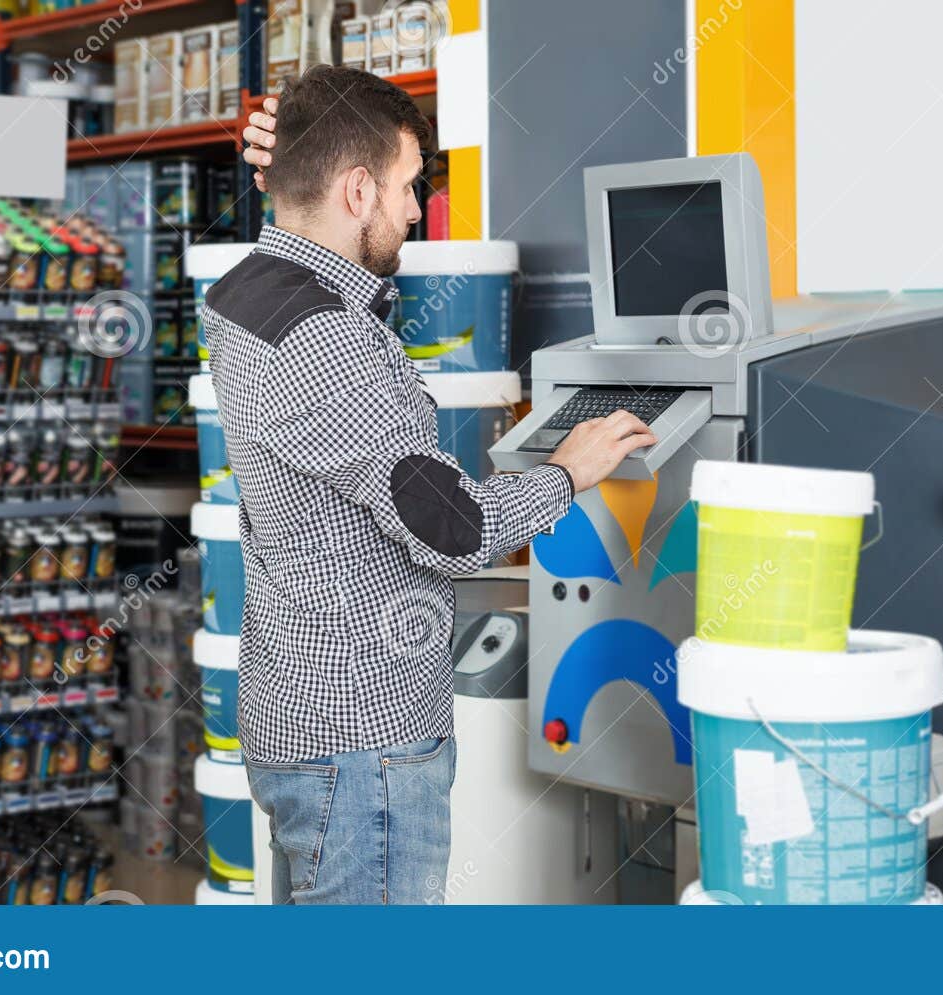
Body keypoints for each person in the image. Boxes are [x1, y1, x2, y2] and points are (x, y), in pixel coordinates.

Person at [208, 66, 657, 904]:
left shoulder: (248, 295)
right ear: (356, 190)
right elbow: (452, 527)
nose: (418, 210)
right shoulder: (324, 339)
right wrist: (570, 471)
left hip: (298, 710)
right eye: (411, 187)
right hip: (362, 742)